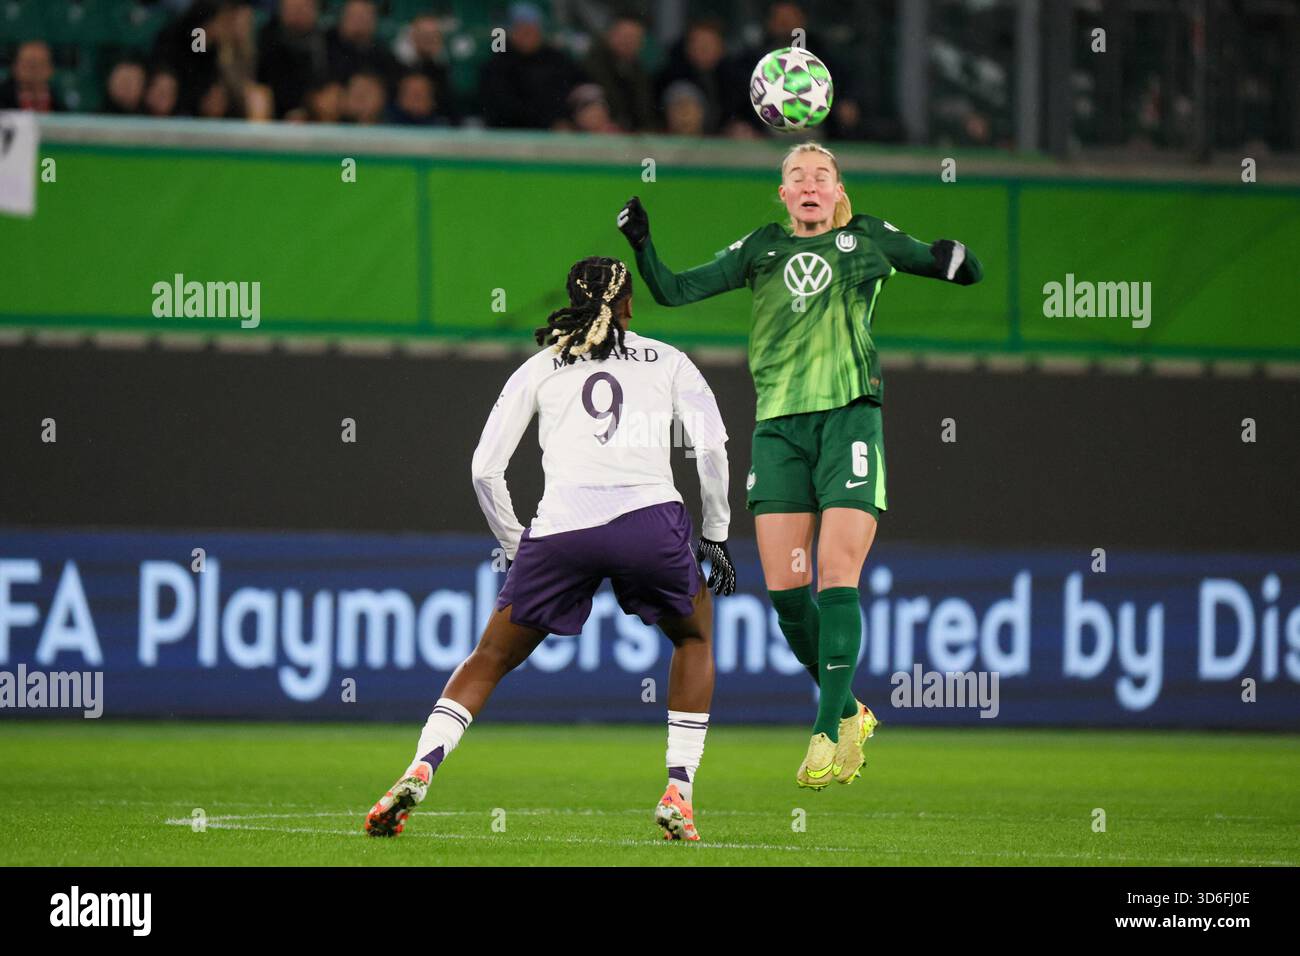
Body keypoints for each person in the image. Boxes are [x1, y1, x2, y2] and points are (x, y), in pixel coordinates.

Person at [616, 142, 983, 788]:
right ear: (782, 194)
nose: (809, 184)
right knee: (787, 596)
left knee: (835, 576)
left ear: (838, 190)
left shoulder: (867, 239)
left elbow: (948, 265)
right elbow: (674, 291)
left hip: (850, 419)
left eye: (821, 176)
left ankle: (823, 731)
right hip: (778, 430)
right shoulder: (762, 248)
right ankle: (850, 712)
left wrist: (956, 261)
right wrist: (643, 247)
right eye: (796, 176)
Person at [365, 257, 736, 842]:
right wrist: (714, 533)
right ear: (630, 304)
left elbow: (485, 470)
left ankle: (421, 767)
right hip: (649, 523)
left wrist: (518, 547)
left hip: (561, 530)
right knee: (693, 637)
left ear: (570, 303)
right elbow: (711, 451)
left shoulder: (539, 367)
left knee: (489, 657)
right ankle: (679, 791)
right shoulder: (668, 360)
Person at [0, 41, 63, 113]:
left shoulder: (60, 106)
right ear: (15, 67)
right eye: (28, 64)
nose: (34, 70)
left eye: (40, 64)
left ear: (50, 69)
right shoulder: (2, 100)